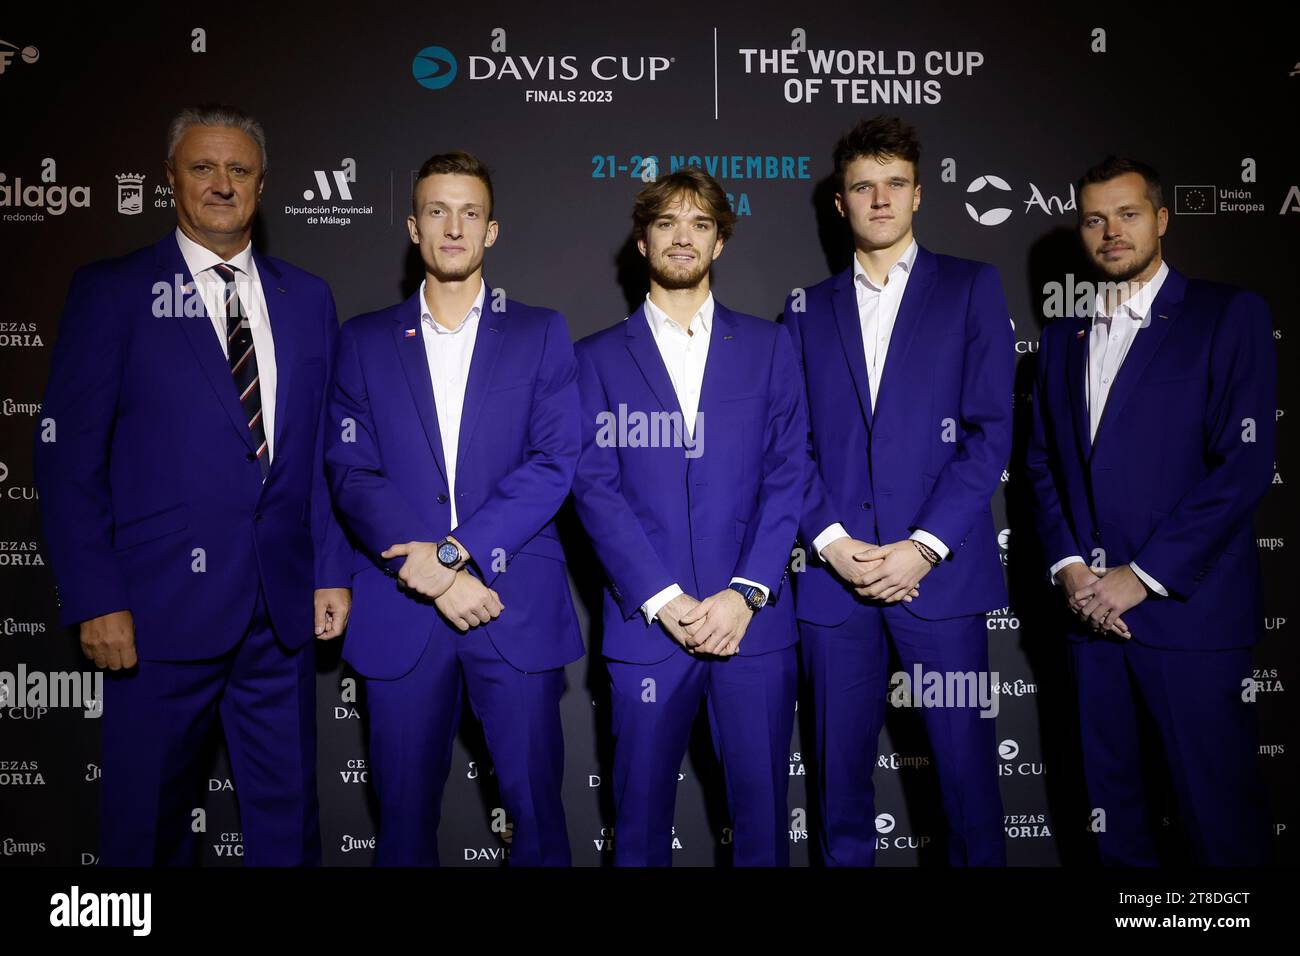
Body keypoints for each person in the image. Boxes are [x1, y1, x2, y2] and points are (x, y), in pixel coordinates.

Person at [34, 104, 352, 866]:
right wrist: (96, 597)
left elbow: (318, 454)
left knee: (288, 830)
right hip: (154, 614)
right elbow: (67, 460)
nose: (221, 184)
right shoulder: (112, 292)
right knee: (143, 827)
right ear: (169, 181)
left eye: (238, 170)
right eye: (203, 167)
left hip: (279, 615)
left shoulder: (306, 297)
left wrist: (330, 572)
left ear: (263, 186)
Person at [325, 151, 582, 866]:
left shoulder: (539, 332)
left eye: (470, 212)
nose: (454, 226)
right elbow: (351, 470)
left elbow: (554, 463)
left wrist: (449, 556)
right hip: (400, 612)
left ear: (492, 231)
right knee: (403, 824)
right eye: (437, 210)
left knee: (538, 819)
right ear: (413, 227)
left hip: (513, 604)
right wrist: (432, 573)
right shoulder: (366, 340)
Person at [1026, 156, 1276, 865]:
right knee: (1115, 826)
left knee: (1218, 821)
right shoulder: (1058, 340)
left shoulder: (1228, 315)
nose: (1111, 231)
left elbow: (1245, 464)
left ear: (1161, 220)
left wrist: (1144, 575)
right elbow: (1043, 465)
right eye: (1095, 219)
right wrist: (1072, 569)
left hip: (1188, 619)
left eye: (1128, 214)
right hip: (1089, 623)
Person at [781, 116, 1013, 866]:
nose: (879, 200)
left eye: (894, 185)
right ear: (839, 204)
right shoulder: (806, 310)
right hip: (833, 588)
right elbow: (793, 449)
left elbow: (988, 433)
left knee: (968, 787)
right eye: (862, 187)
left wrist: (923, 547)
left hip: (937, 583)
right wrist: (834, 545)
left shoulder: (972, 288)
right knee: (838, 788)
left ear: (917, 194)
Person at [571, 167, 806, 866]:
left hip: (753, 630)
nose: (683, 237)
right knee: (638, 828)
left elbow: (787, 473)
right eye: (667, 223)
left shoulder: (770, 348)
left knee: (762, 826)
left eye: (700, 224)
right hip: (648, 633)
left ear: (720, 242)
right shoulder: (595, 359)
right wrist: (665, 600)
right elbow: (594, 486)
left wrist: (746, 593)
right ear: (642, 242)